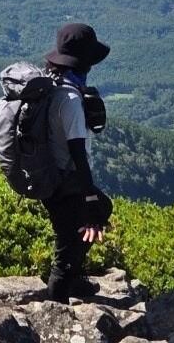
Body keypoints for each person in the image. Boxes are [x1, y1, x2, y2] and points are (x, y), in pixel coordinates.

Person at [41, 22, 113, 301]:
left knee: (71, 235)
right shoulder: (70, 98)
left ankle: (71, 281)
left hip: (50, 173)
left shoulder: (53, 82)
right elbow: (78, 154)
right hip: (63, 180)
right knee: (68, 246)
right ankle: (55, 306)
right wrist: (90, 201)